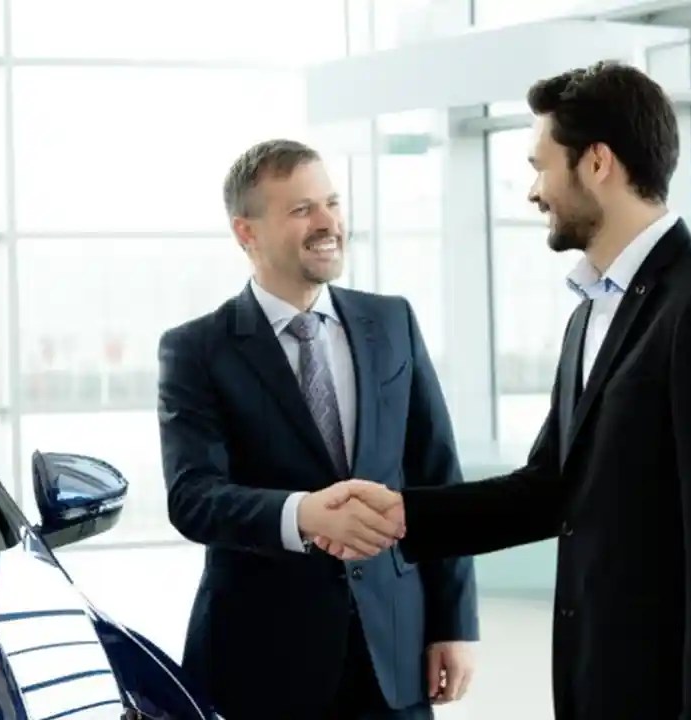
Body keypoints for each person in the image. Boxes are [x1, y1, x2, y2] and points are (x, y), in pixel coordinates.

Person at [318, 60, 691, 720]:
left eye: (540, 165)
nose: (533, 192)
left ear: (598, 162)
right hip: (596, 684)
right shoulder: (590, 314)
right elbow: (549, 487)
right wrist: (403, 514)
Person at [156, 138, 479, 720]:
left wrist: (454, 624)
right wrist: (303, 514)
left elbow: (437, 478)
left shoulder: (392, 321)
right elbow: (193, 497)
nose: (328, 222)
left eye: (332, 202)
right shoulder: (196, 349)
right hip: (259, 661)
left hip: (393, 653)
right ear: (246, 233)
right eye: (302, 209)